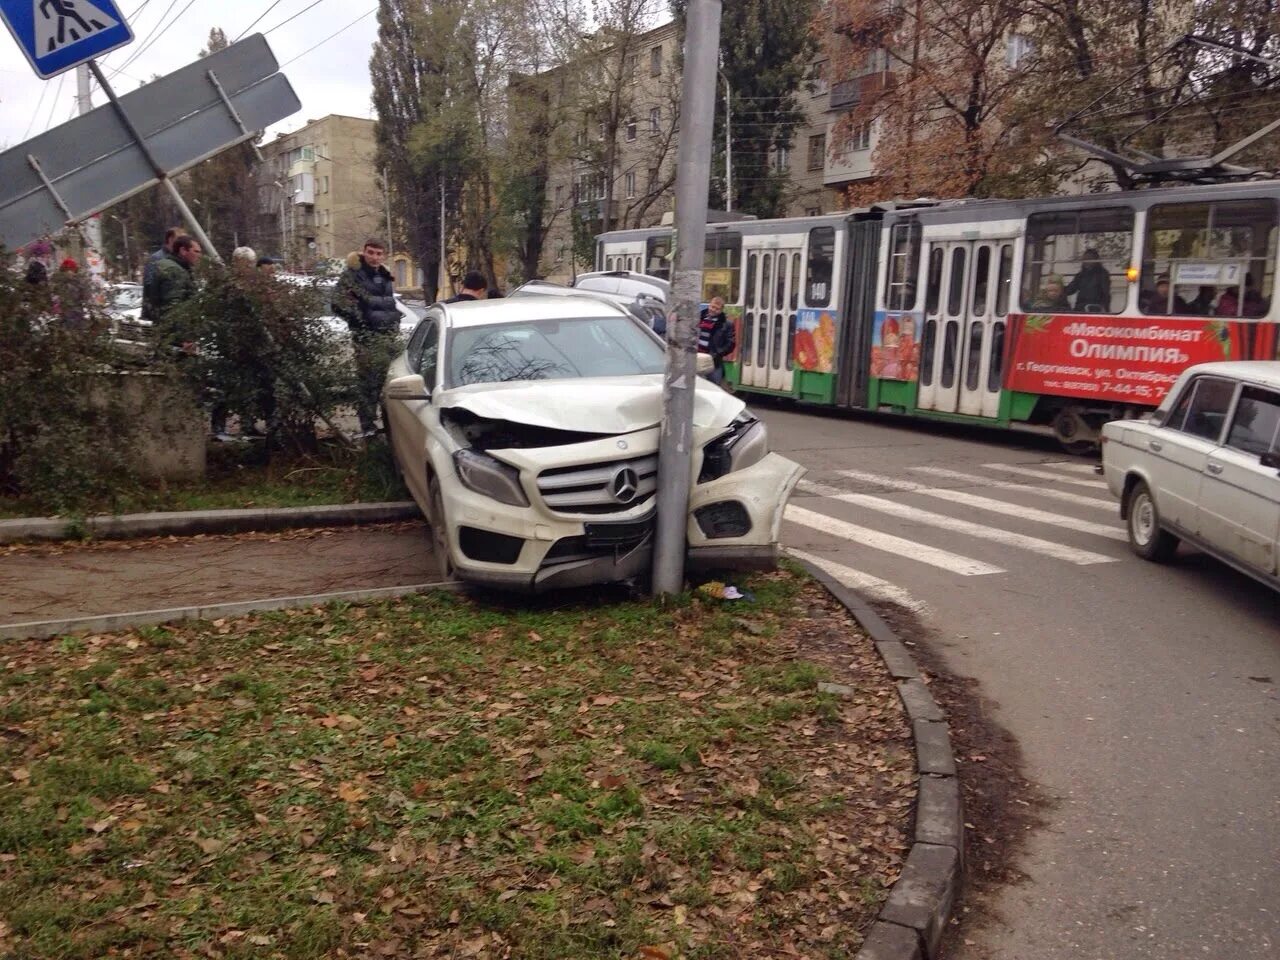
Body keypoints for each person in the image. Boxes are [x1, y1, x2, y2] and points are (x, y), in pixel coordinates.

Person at [335, 239, 398, 437]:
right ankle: (367, 426)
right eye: (371, 252)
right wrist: (359, 320)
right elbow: (337, 302)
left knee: (383, 382)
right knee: (367, 383)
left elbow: (389, 304)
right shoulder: (353, 274)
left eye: (379, 254)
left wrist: (393, 324)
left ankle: (382, 424)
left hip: (385, 336)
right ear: (364, 252)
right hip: (366, 338)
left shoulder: (384, 275)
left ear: (384, 256)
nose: (374, 257)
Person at [697, 296, 736, 386]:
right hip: (697, 358)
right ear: (709, 305)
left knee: (713, 388)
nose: (713, 310)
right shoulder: (698, 318)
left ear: (721, 310)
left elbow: (731, 344)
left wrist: (717, 353)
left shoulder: (726, 324)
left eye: (717, 309)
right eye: (712, 307)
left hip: (713, 362)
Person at [142, 226, 187, 301]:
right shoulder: (156, 259)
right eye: (180, 240)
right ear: (170, 239)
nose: (183, 243)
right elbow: (150, 286)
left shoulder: (180, 259)